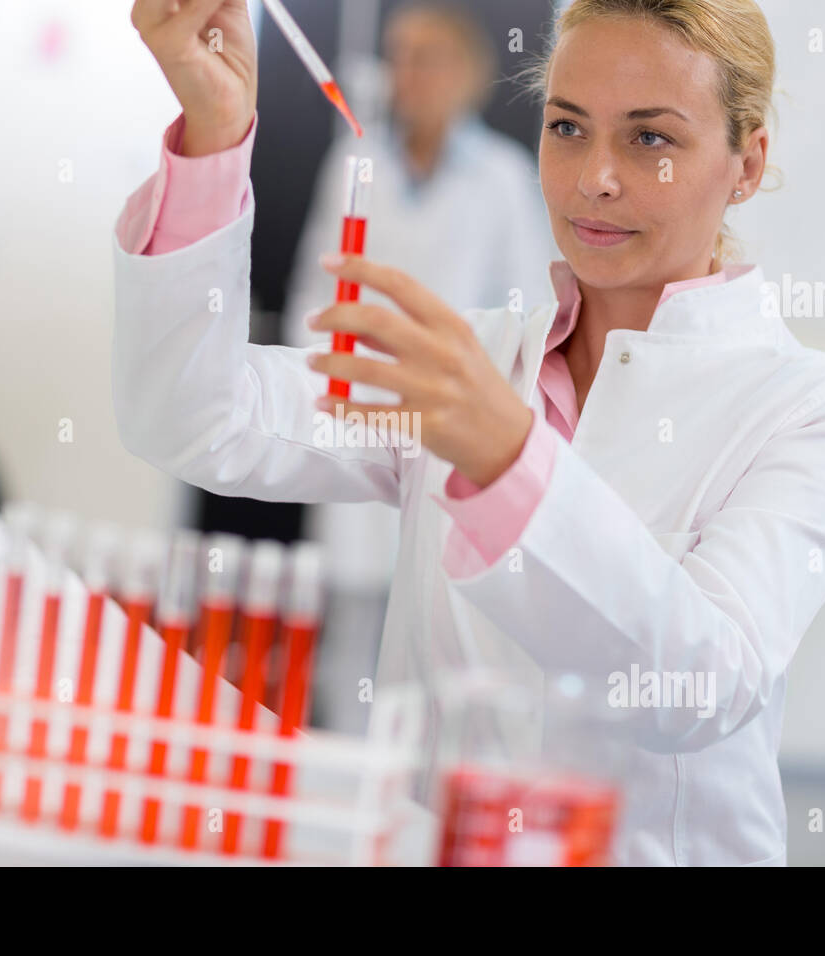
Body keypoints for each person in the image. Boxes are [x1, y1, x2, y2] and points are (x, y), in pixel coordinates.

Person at [114, 0, 825, 865]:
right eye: (567, 126)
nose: (594, 176)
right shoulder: (468, 363)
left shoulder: (811, 407)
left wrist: (509, 460)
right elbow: (194, 415)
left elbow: (699, 686)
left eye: (650, 139)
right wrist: (215, 137)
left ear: (747, 161)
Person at [280, 2, 556, 731]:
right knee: (350, 609)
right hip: (355, 415)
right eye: (398, 55)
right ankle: (345, 769)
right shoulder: (355, 162)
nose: (407, 72)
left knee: (442, 611)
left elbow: (528, 312)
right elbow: (315, 287)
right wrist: (319, 386)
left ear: (468, 73)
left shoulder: (501, 178)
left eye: (426, 55)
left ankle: (423, 789)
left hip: (449, 430)